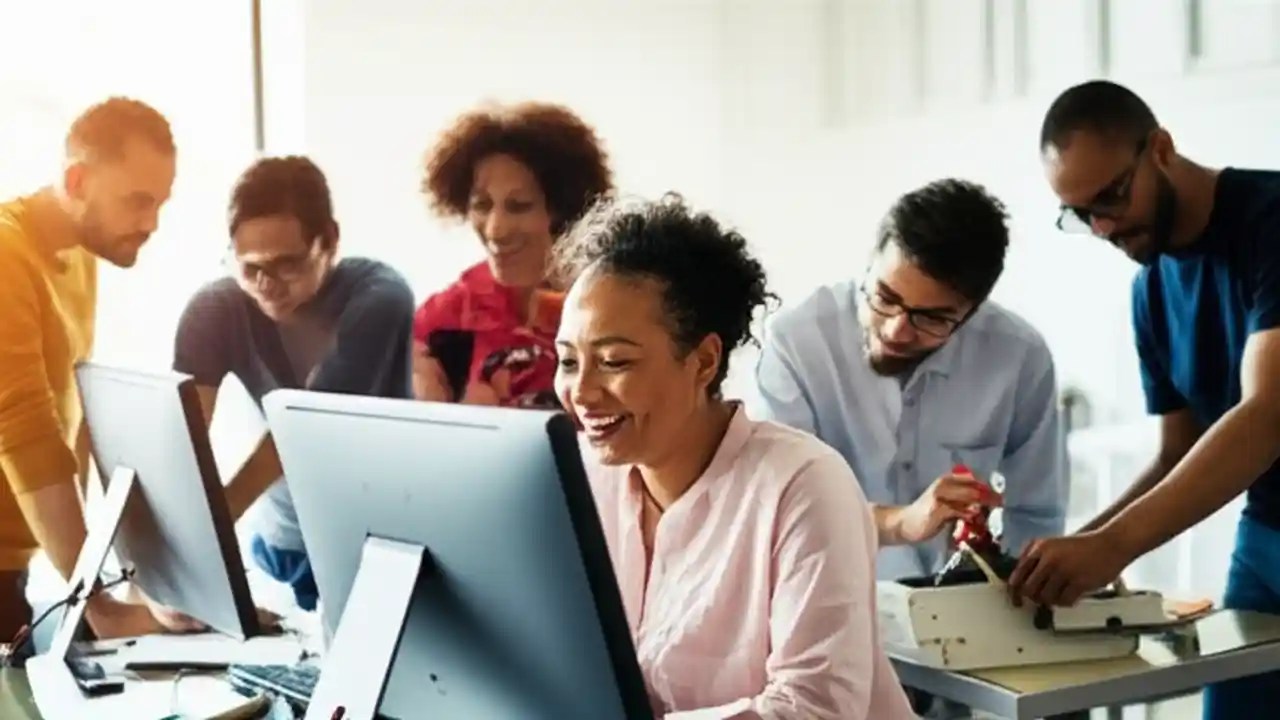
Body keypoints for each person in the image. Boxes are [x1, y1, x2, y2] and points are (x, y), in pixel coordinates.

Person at [552, 194, 915, 719]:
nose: (581, 392)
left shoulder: (803, 485)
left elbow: (816, 709)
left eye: (613, 361)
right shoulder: (580, 479)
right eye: (567, 360)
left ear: (703, 361)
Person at [1008, 79, 1280, 718]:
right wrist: (1077, 551)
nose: (1102, 227)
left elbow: (1266, 415)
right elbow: (1175, 452)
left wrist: (1115, 546)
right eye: (1081, 214)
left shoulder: (1272, 222)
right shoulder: (1150, 290)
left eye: (1111, 197)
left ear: (1160, 148)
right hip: (1268, 533)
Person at [752, 179, 1068, 583]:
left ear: (971, 313)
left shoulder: (1020, 357)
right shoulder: (798, 343)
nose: (896, 330)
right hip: (826, 600)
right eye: (884, 297)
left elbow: (1037, 515)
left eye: (932, 318)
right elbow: (783, 510)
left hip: (962, 615)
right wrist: (901, 522)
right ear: (870, 264)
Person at [173, 156, 414, 611]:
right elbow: (182, 437)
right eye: (250, 267)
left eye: (287, 265)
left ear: (330, 242)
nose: (267, 284)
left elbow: (303, 429)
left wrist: (209, 538)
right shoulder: (218, 307)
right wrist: (168, 567)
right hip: (278, 547)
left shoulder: (380, 299)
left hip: (377, 549)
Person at [0, 97, 199, 640]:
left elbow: (75, 416)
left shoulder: (80, 253)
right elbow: (25, 434)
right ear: (77, 179)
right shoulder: (5, 253)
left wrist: (109, 573)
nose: (152, 223)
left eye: (160, 203)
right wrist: (98, 604)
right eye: (137, 201)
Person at [412, 101, 613, 408]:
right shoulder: (456, 310)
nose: (496, 230)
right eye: (482, 205)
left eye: (519, 206)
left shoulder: (608, 301)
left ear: (563, 210)